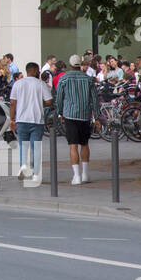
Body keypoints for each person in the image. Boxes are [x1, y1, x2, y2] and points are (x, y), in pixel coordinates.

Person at [55, 54, 97, 185]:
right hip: (85, 114)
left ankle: (76, 176)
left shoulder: (64, 79)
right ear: (81, 64)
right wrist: (97, 115)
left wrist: (59, 112)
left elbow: (59, 98)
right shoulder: (89, 79)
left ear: (70, 64)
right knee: (84, 144)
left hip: (70, 115)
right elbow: (95, 99)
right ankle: (85, 174)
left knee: (72, 145)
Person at [9, 62, 53, 187]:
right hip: (37, 120)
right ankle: (36, 175)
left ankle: (23, 165)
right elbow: (49, 101)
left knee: (23, 145)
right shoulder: (41, 84)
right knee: (36, 148)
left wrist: (12, 119)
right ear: (33, 71)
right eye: (38, 70)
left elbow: (12, 103)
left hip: (21, 119)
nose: (39, 72)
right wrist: (40, 104)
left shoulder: (18, 84)